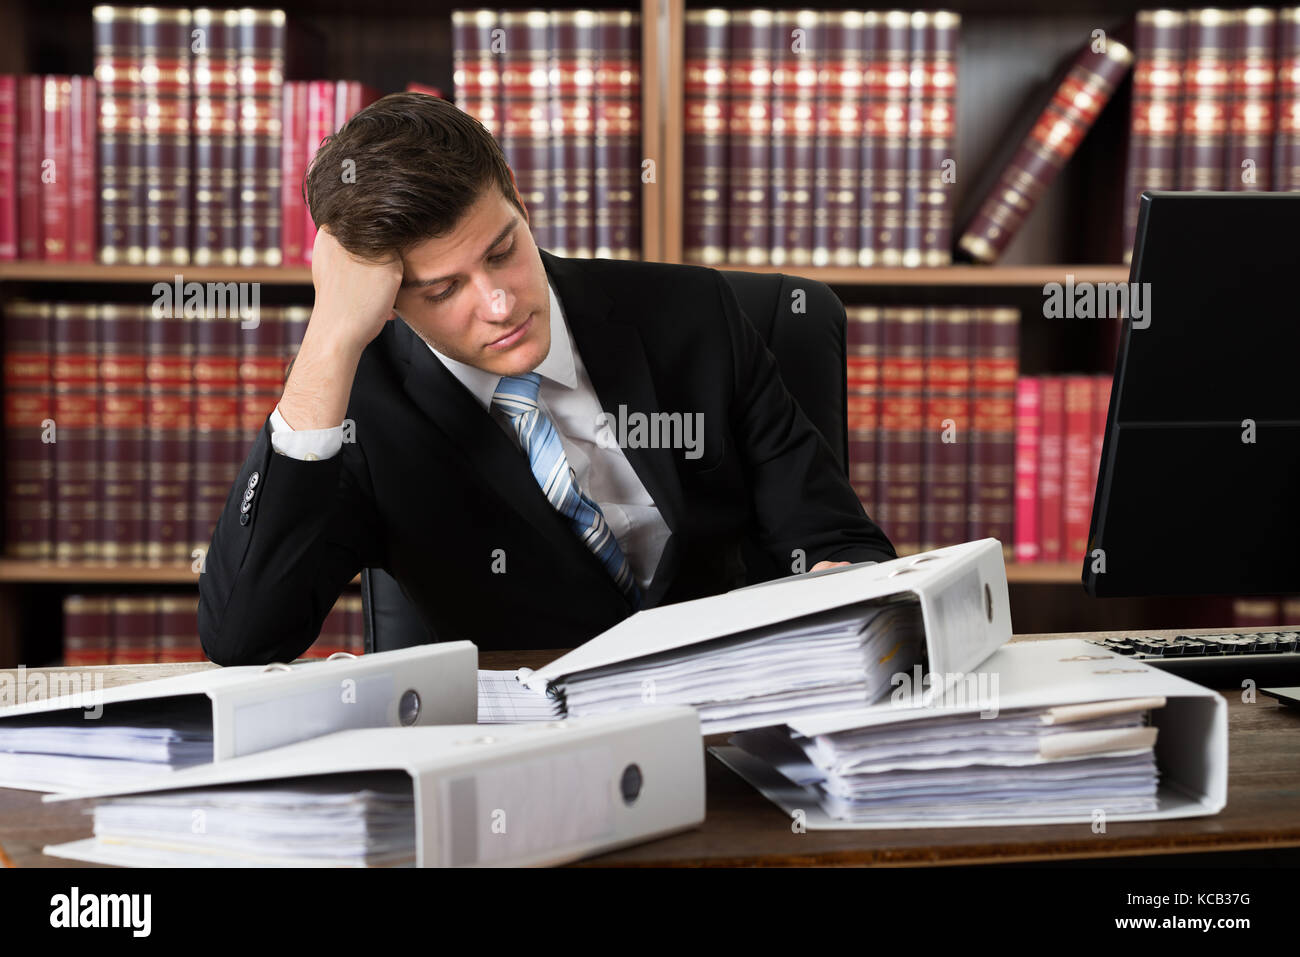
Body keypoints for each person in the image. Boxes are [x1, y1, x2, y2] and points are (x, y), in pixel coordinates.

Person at [198, 92, 896, 665]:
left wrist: (839, 593)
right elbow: (245, 640)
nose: (499, 303)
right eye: (443, 291)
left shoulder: (696, 315)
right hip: (518, 771)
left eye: (503, 251)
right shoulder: (362, 408)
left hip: (733, 728)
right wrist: (327, 340)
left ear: (519, 204)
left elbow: (839, 546)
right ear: (390, 299)